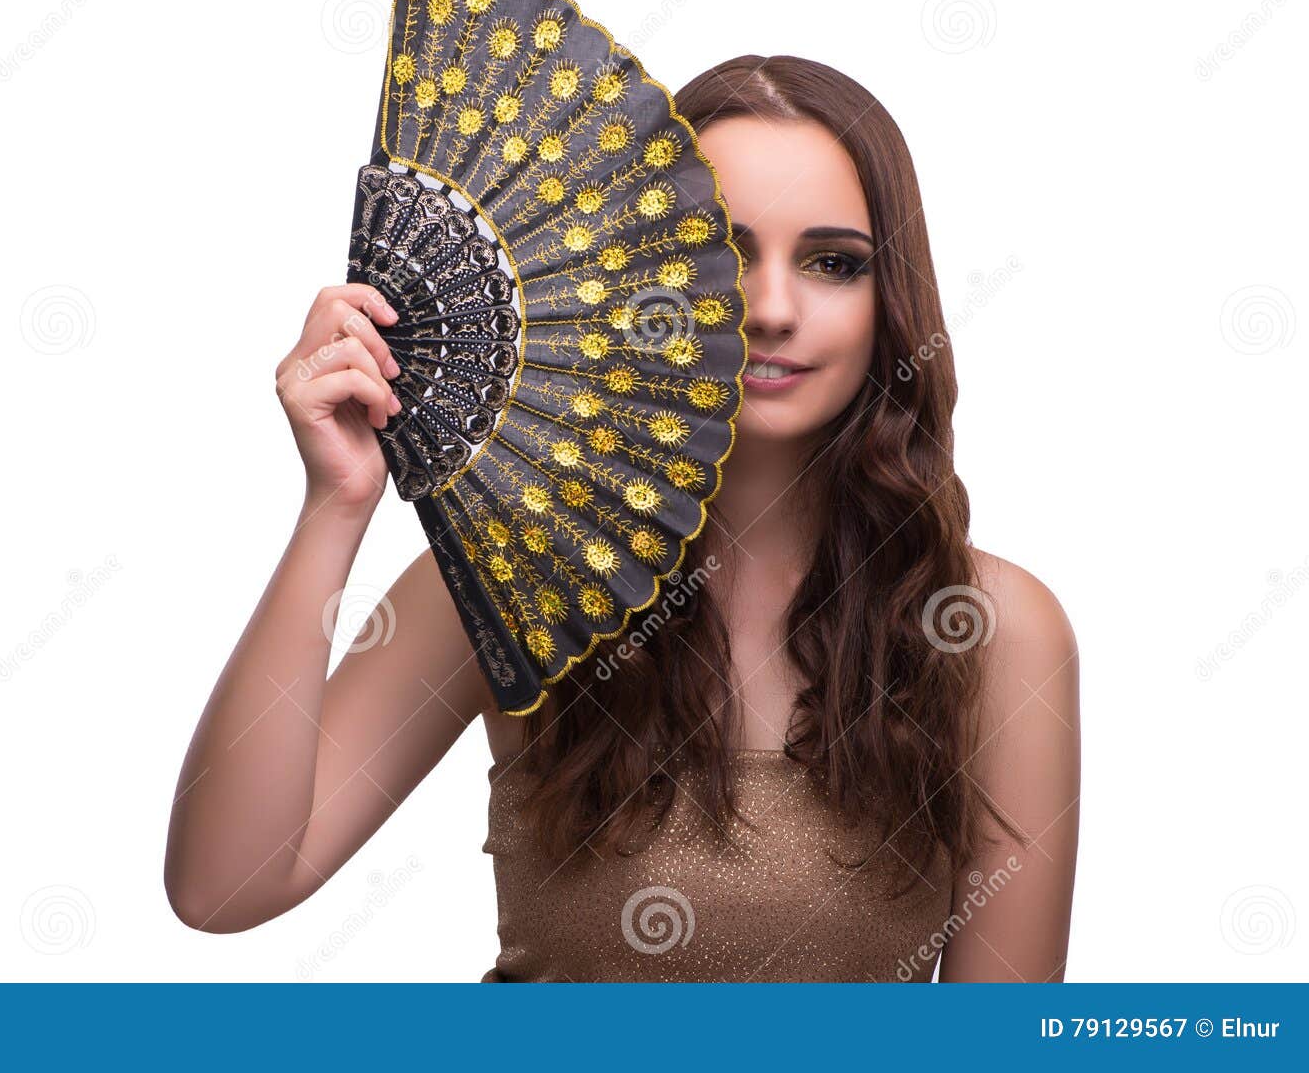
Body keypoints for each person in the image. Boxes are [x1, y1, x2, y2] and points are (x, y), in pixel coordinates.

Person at [163, 54, 1080, 982]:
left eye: (832, 264)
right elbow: (224, 887)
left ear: (893, 304)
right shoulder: (511, 578)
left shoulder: (994, 632)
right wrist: (336, 505)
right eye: (723, 251)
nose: (770, 308)